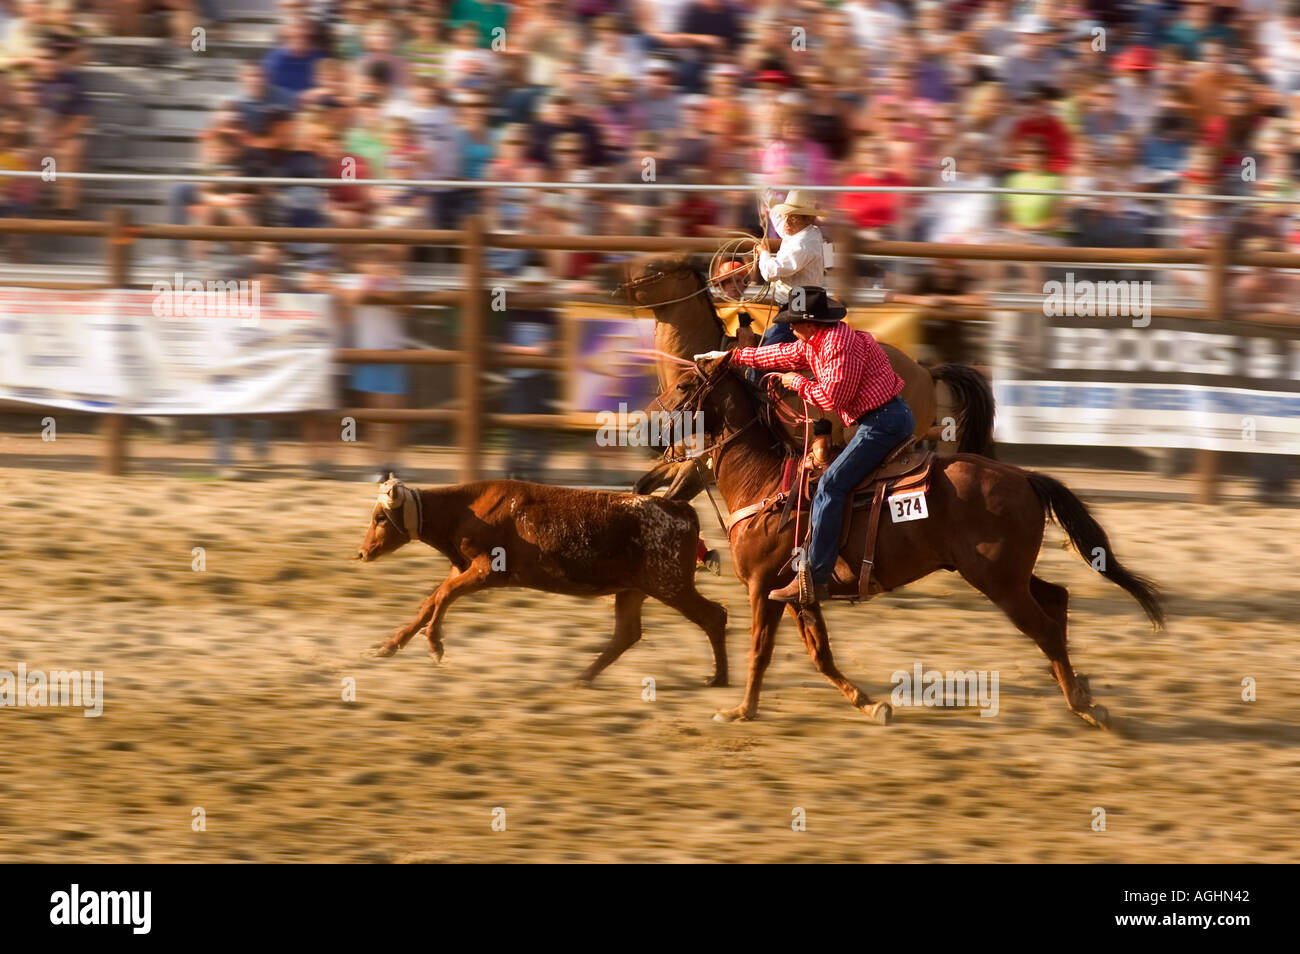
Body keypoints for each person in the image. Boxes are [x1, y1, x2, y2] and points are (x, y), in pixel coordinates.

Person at [699, 289, 914, 604]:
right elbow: (780, 355)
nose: (791, 328)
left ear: (810, 324)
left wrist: (796, 382)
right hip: (880, 419)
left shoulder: (839, 347)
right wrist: (730, 357)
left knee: (830, 485)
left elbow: (833, 398)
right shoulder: (819, 341)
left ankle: (815, 576)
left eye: (794, 323)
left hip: (882, 424)